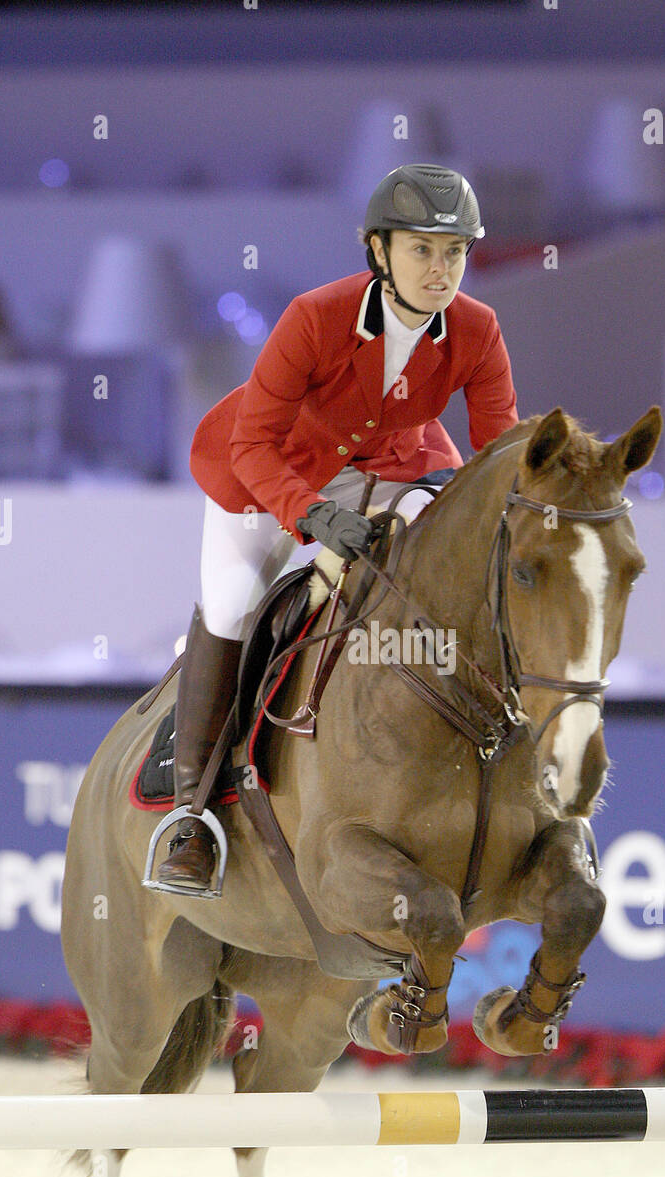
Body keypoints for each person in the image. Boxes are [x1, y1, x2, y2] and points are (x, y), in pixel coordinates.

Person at [153, 163, 519, 894]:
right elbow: (254, 443)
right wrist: (313, 515)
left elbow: (499, 449)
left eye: (453, 252)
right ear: (378, 252)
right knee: (231, 604)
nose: (440, 269)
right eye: (421, 250)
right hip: (269, 471)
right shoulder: (314, 317)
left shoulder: (477, 328)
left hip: (392, 467)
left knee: (444, 575)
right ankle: (191, 817)